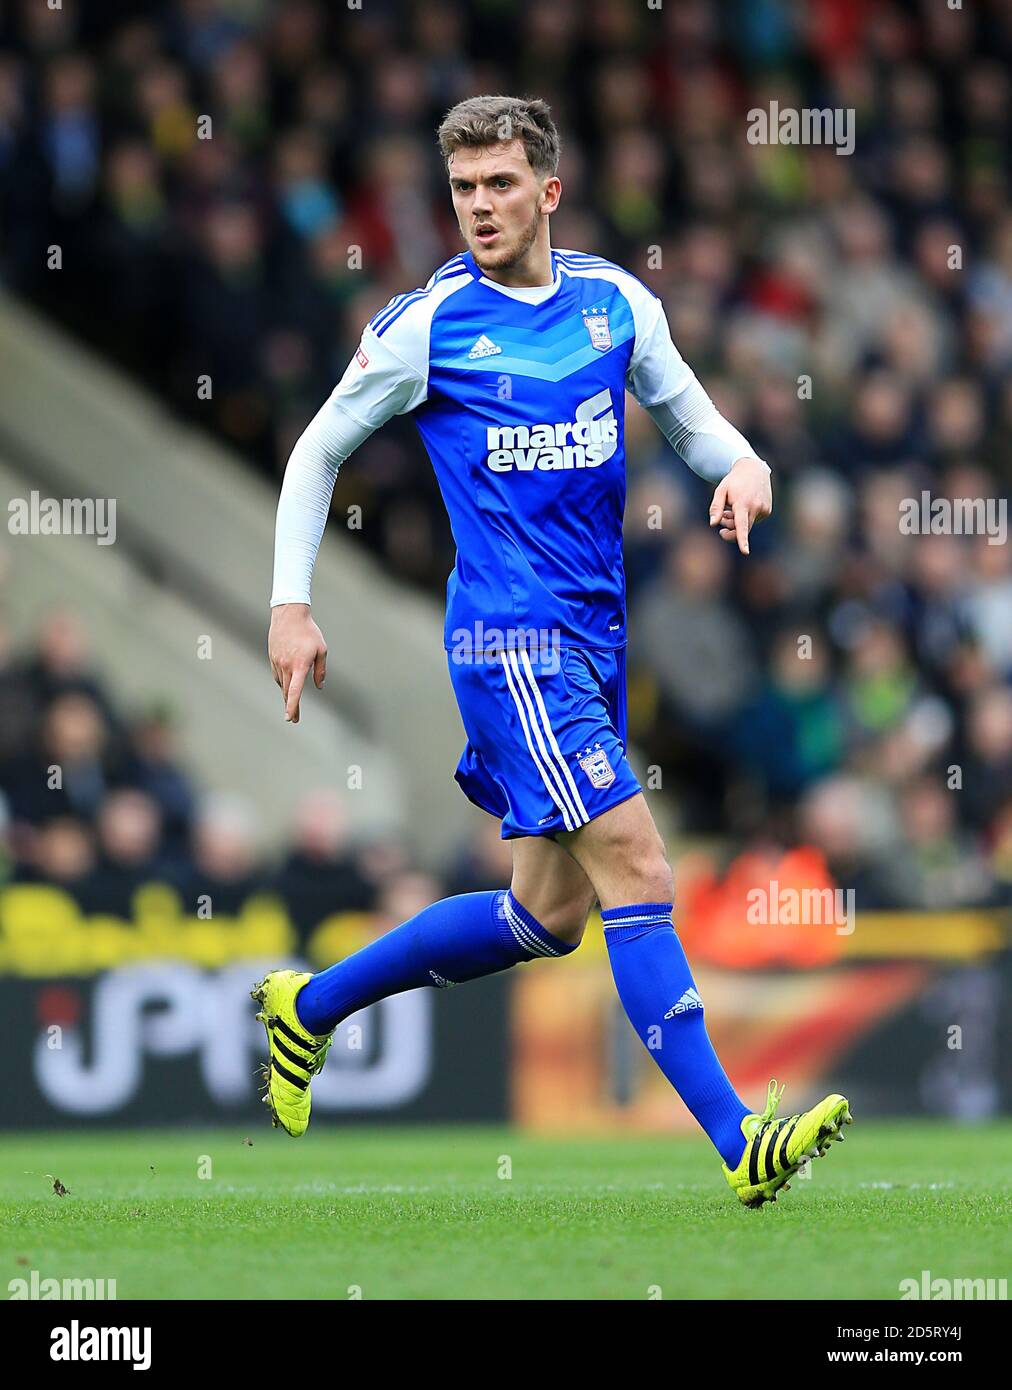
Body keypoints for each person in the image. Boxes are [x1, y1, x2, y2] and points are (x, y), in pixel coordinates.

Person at [254, 95, 851, 1207]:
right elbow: (315, 450)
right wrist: (290, 604)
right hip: (507, 638)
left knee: (547, 916)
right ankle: (740, 1142)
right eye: (463, 190)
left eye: (498, 185)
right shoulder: (426, 327)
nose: (478, 207)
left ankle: (308, 1008)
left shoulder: (615, 303)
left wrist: (740, 461)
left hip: (591, 640)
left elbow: (686, 414)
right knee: (640, 864)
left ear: (548, 192)